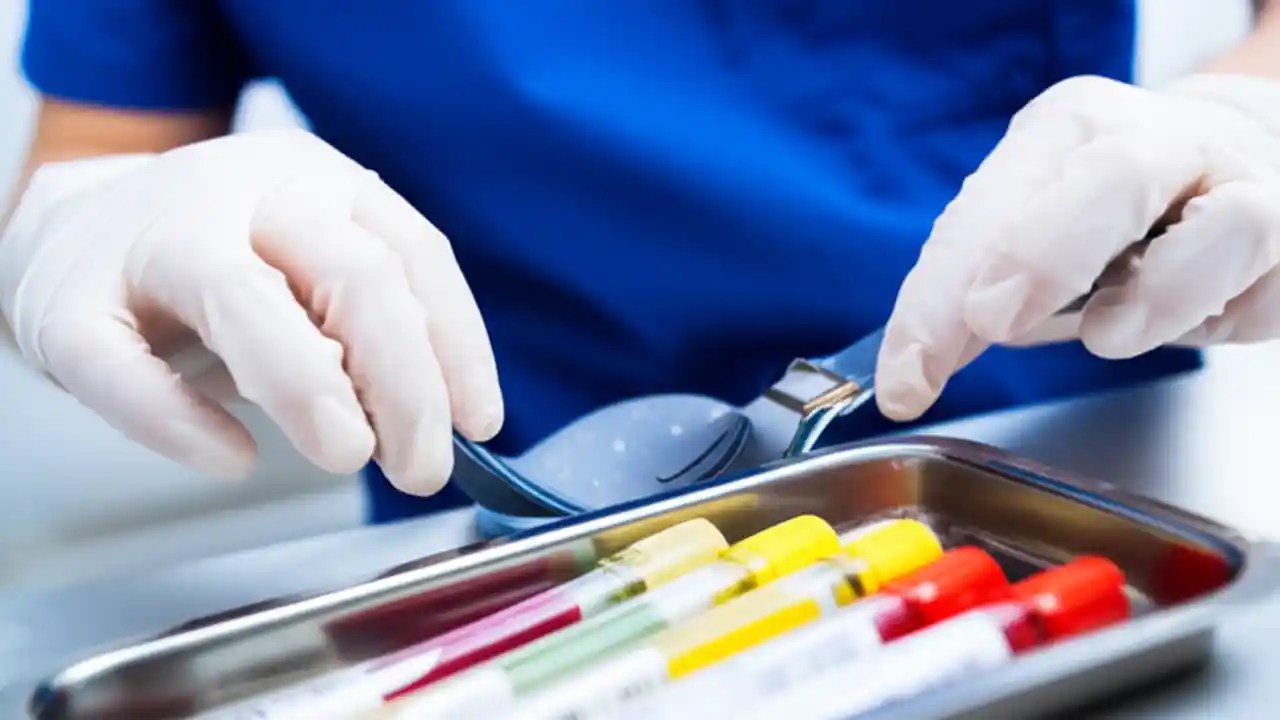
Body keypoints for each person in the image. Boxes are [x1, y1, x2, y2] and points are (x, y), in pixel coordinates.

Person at [3, 2, 1279, 524]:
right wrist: (92, 228)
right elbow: (105, 147)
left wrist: (1245, 122)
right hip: (521, 534)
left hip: (1053, 486)